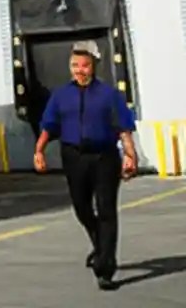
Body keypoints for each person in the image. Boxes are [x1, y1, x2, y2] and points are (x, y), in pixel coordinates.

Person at [33, 40, 138, 290]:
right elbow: (49, 125)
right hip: (74, 157)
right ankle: (100, 245)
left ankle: (105, 269)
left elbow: (123, 128)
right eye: (75, 66)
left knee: (106, 210)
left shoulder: (109, 95)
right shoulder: (61, 96)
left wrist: (130, 155)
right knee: (81, 208)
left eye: (85, 66)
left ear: (93, 67)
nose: (80, 70)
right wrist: (39, 151)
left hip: (104, 157)